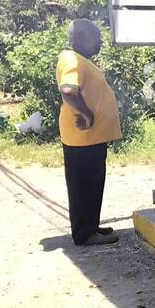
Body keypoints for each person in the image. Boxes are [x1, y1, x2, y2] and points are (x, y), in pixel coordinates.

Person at [57, 18, 121, 246]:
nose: (100, 43)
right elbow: (68, 90)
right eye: (97, 38)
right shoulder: (72, 59)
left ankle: (91, 226)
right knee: (83, 185)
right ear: (81, 37)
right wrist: (88, 114)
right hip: (82, 139)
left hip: (90, 139)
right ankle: (84, 233)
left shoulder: (79, 60)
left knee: (92, 184)